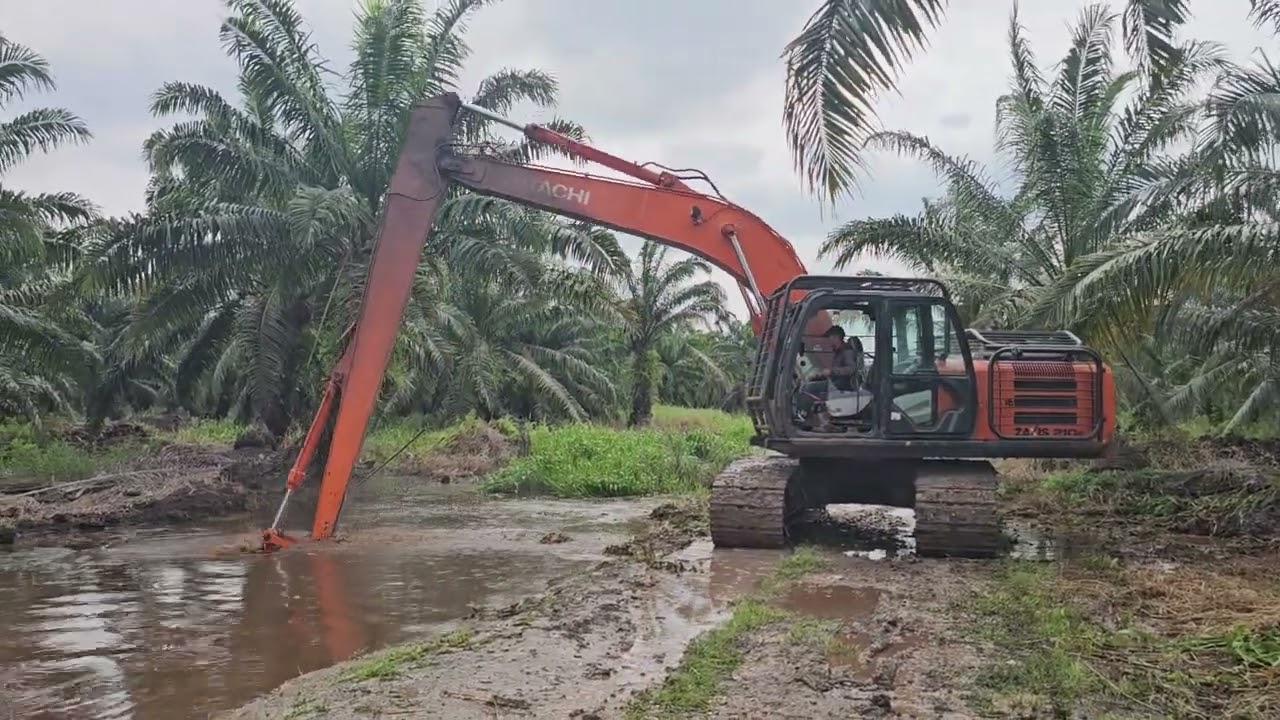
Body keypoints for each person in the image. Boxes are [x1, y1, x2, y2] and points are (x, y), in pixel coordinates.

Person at [794, 325, 864, 424]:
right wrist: (819, 375)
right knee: (808, 384)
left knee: (807, 388)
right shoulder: (839, 351)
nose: (827, 341)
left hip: (841, 385)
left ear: (836, 337)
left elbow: (851, 369)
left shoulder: (847, 351)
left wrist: (832, 371)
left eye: (829, 337)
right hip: (835, 382)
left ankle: (802, 416)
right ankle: (810, 415)